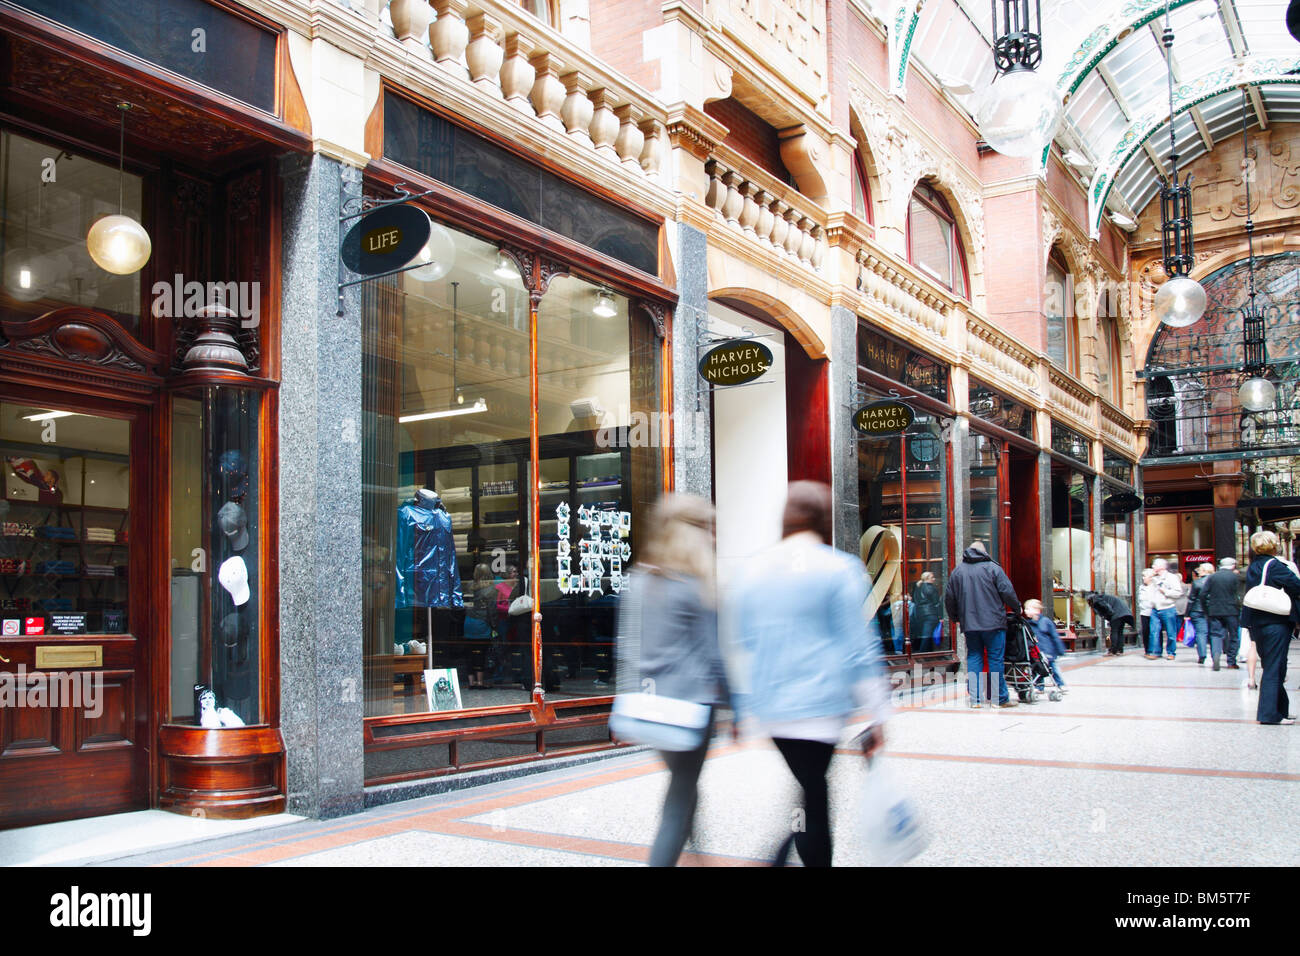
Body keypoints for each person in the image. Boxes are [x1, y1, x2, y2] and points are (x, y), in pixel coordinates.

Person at [730, 482, 889, 867]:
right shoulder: (840, 569)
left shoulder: (752, 569)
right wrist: (878, 711)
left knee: (809, 788)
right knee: (814, 793)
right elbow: (859, 644)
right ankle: (787, 856)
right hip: (821, 708)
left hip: (773, 707)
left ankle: (785, 851)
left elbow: (744, 644)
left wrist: (740, 709)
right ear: (823, 519)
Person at [615, 495, 731, 866]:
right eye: (709, 529)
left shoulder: (637, 581)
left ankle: (698, 859)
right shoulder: (695, 585)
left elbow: (627, 646)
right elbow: (714, 657)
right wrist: (738, 707)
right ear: (693, 533)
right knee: (679, 798)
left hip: (647, 707)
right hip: (689, 707)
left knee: (684, 788)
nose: (714, 538)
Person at [944, 540, 1022, 708]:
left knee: (973, 657)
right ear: (984, 552)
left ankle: (975, 699)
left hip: (970, 625)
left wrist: (956, 617)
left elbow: (949, 599)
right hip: (994, 623)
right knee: (995, 659)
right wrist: (1017, 609)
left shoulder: (958, 572)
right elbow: (1007, 591)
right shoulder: (993, 568)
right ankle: (998, 699)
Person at [1239, 530, 1300, 725]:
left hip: (1257, 621)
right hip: (1275, 620)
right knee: (1274, 667)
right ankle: (1269, 714)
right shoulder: (1274, 565)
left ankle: (1281, 710)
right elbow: (1296, 585)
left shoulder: (1254, 565)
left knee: (1274, 665)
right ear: (1273, 545)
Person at [1202, 557, 1243, 671]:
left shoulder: (1212, 577)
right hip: (1232, 610)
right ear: (1233, 566)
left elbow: (1203, 594)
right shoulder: (1235, 577)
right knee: (1234, 635)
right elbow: (1240, 593)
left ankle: (1216, 654)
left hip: (1214, 611)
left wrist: (1207, 609)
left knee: (1215, 634)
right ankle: (1231, 661)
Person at [463, 563, 498, 689]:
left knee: (470, 654)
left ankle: (471, 682)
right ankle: (480, 681)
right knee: (481, 653)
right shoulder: (491, 588)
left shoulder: (469, 585)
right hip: (482, 623)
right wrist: (494, 626)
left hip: (468, 622)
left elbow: (466, 604)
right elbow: (492, 610)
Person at [1024, 599, 1067, 694]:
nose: (1025, 611)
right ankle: (1039, 687)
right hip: (1037, 652)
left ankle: (1060, 684)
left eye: (1027, 608)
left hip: (1048, 651)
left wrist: (1060, 650)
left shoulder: (1046, 621)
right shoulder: (1028, 624)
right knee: (1038, 669)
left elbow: (1054, 636)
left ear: (1036, 610)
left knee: (1052, 669)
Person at [1148, 559, 1181, 660]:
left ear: (1162, 566)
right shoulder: (1153, 579)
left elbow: (1178, 593)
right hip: (1155, 609)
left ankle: (1171, 652)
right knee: (1154, 631)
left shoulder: (1172, 578)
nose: (1153, 567)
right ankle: (1155, 652)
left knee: (1171, 632)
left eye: (1155, 565)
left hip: (1168, 608)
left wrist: (1165, 591)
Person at [1084, 590, 1135, 656]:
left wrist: (1110, 615)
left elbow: (1105, 606)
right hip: (1123, 613)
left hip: (1117, 613)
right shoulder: (1101, 597)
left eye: (1087, 600)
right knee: (1120, 632)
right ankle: (1120, 650)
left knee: (1114, 631)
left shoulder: (1096, 599)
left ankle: (1113, 651)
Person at [1185, 563, 1214, 664]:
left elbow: (1191, 599)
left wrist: (1187, 614)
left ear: (1206, 570)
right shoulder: (1215, 581)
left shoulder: (1197, 583)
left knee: (1201, 633)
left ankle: (1202, 655)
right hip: (1213, 611)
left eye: (1200, 569)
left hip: (1197, 610)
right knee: (1214, 633)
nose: (1198, 571)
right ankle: (1215, 654)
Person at [910, 570, 943, 652]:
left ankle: (925, 654)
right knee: (927, 636)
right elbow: (936, 603)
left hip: (919, 614)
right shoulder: (931, 588)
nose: (934, 579)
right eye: (932, 577)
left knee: (923, 635)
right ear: (927, 578)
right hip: (930, 614)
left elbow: (914, 600)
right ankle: (922, 655)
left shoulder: (917, 587)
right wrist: (940, 616)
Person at [1137, 569, 1157, 656]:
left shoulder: (1155, 587)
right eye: (1143, 576)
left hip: (1153, 612)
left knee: (1154, 631)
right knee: (1145, 631)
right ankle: (1147, 650)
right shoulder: (1141, 587)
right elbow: (1139, 600)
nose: (1143, 578)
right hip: (1144, 612)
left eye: (1145, 576)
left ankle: (1155, 650)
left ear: (1150, 577)